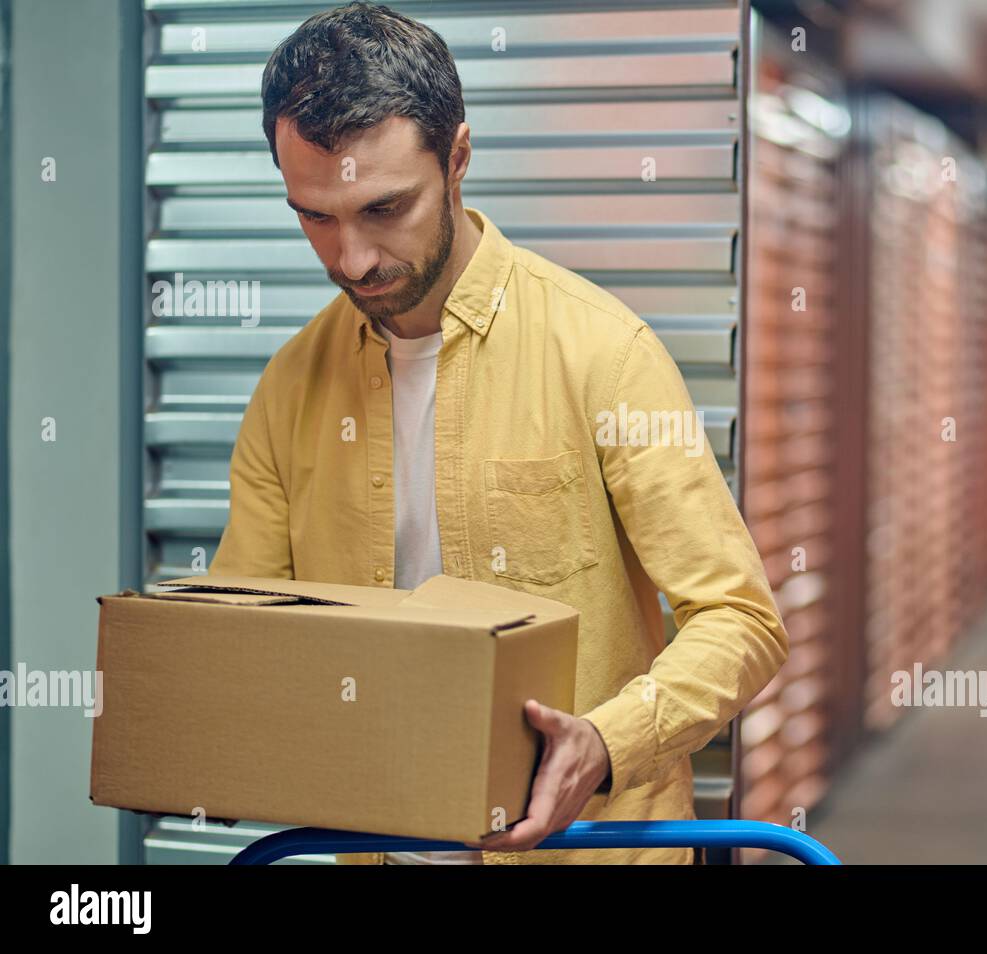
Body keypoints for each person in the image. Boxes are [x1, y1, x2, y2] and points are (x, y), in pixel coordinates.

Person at [209, 1, 789, 865]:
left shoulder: (604, 351)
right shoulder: (289, 388)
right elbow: (245, 638)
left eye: (385, 209)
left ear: (459, 159)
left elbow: (741, 620)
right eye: (317, 217)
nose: (354, 259)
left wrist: (604, 740)